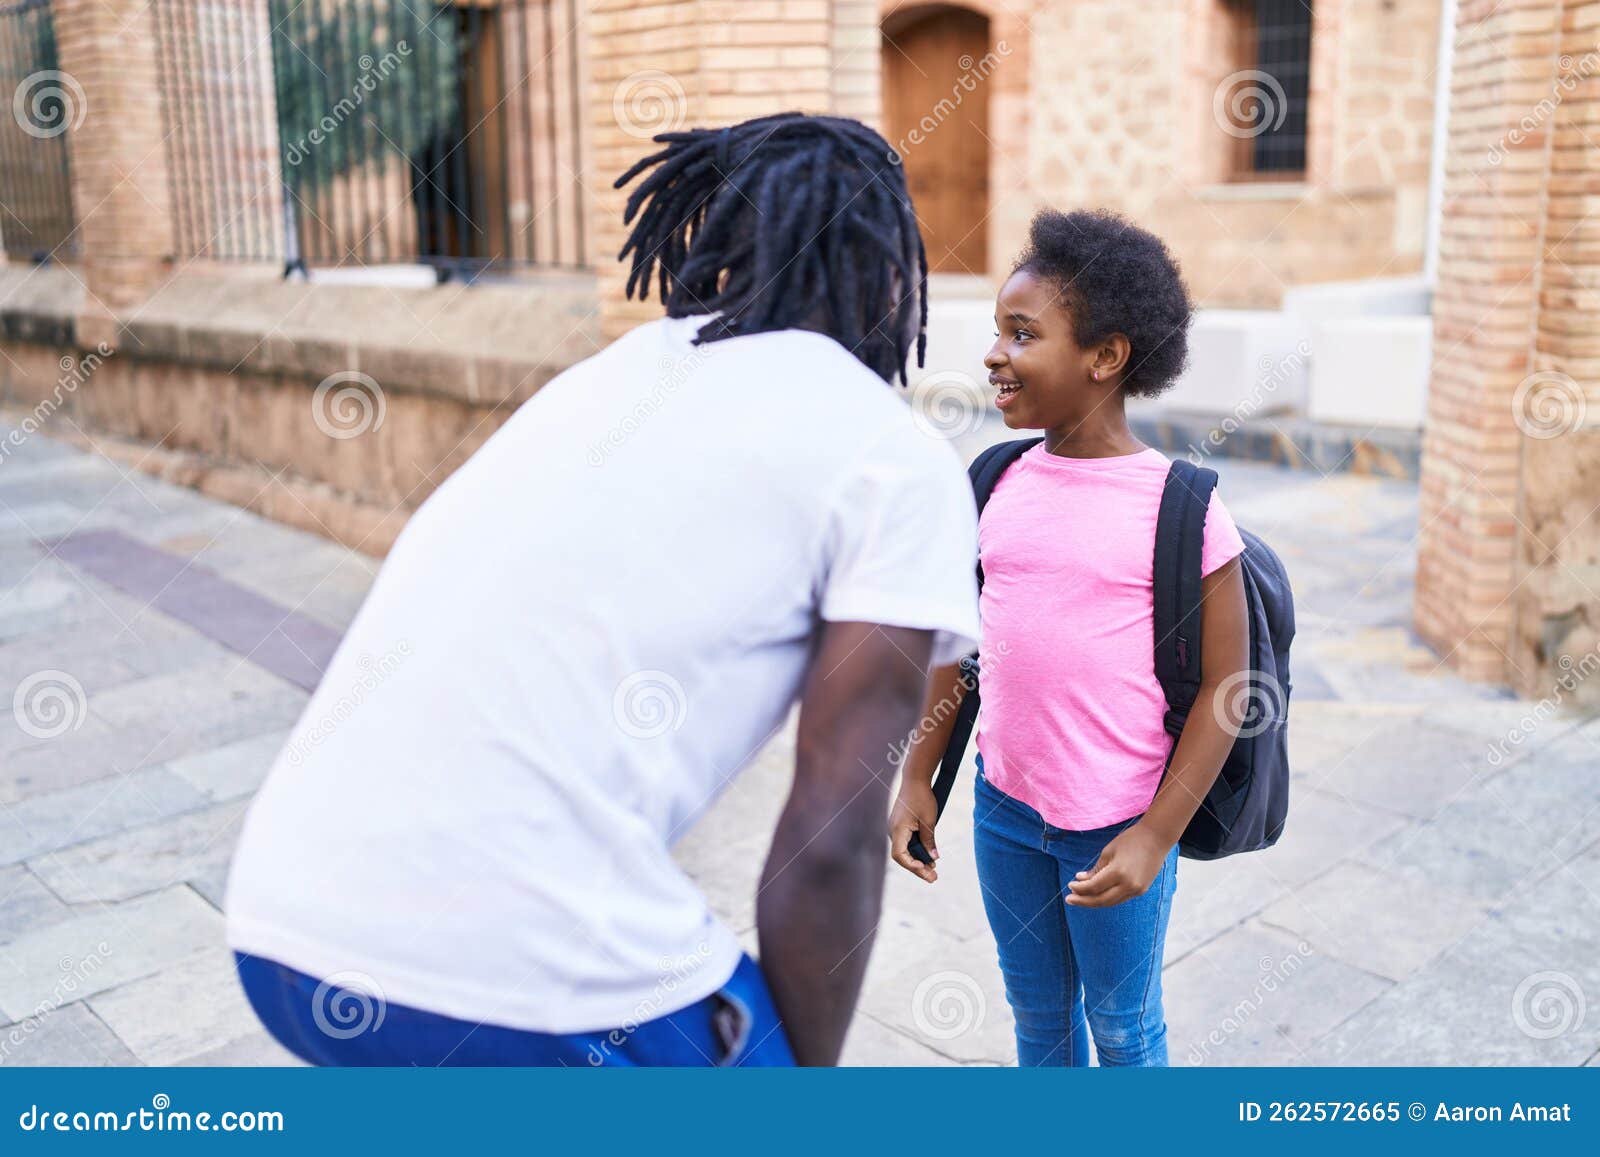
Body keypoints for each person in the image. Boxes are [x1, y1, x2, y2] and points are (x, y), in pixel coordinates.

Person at [226, 113, 980, 1067]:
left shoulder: (606, 377)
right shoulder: (891, 456)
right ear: (892, 270)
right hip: (481, 981)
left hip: (278, 932)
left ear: (712, 235)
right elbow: (830, 841)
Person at [889, 208, 1252, 1067]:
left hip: (1117, 825)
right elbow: (958, 651)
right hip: (1005, 817)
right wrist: (915, 776)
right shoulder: (994, 480)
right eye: (996, 332)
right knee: (1039, 1021)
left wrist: (1156, 834)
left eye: (1022, 334)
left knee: (1124, 1031)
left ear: (1106, 356)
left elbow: (1228, 689)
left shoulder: (1183, 507)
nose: (993, 354)